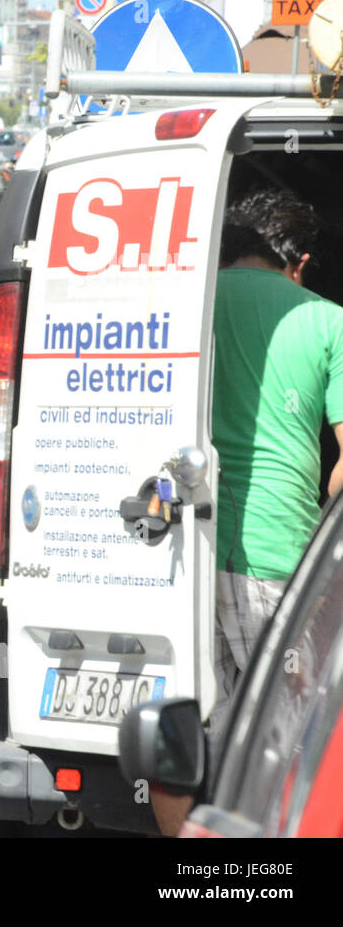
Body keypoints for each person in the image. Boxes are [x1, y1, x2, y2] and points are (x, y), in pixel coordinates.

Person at [209, 190, 343, 748]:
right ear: (301, 263)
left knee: (182, 740)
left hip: (173, 551)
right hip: (276, 554)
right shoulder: (327, 321)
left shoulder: (185, 304)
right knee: (287, 745)